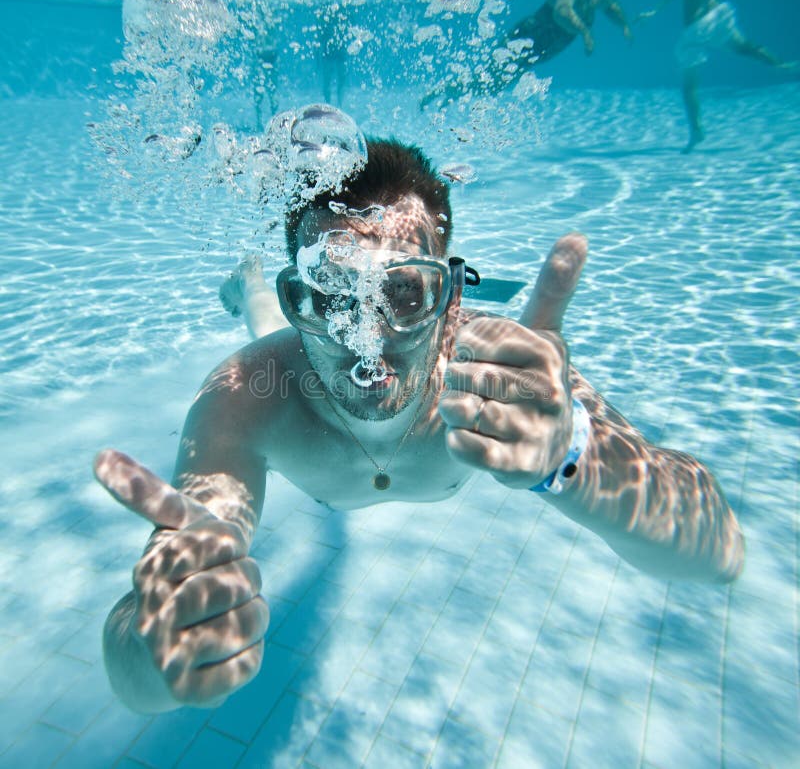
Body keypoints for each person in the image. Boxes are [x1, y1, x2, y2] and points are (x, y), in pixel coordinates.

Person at [96, 139, 745, 713]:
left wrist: (575, 457)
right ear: (302, 301)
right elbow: (137, 669)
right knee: (264, 333)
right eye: (329, 295)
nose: (367, 336)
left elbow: (721, 553)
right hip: (280, 356)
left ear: (450, 296)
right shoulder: (244, 396)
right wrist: (155, 648)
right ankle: (255, 286)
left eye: (404, 292)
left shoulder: (506, 382)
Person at [420, 0, 632, 109]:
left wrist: (624, 25)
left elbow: (609, 5)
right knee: (492, 80)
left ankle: (453, 92)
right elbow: (561, 11)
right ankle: (447, 90)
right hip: (524, 39)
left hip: (536, 50)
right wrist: (585, 33)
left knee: (495, 85)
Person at [638, 0, 796, 153]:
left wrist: (655, 10)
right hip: (717, 16)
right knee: (743, 46)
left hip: (697, 27)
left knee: (689, 86)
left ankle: (696, 130)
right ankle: (779, 64)